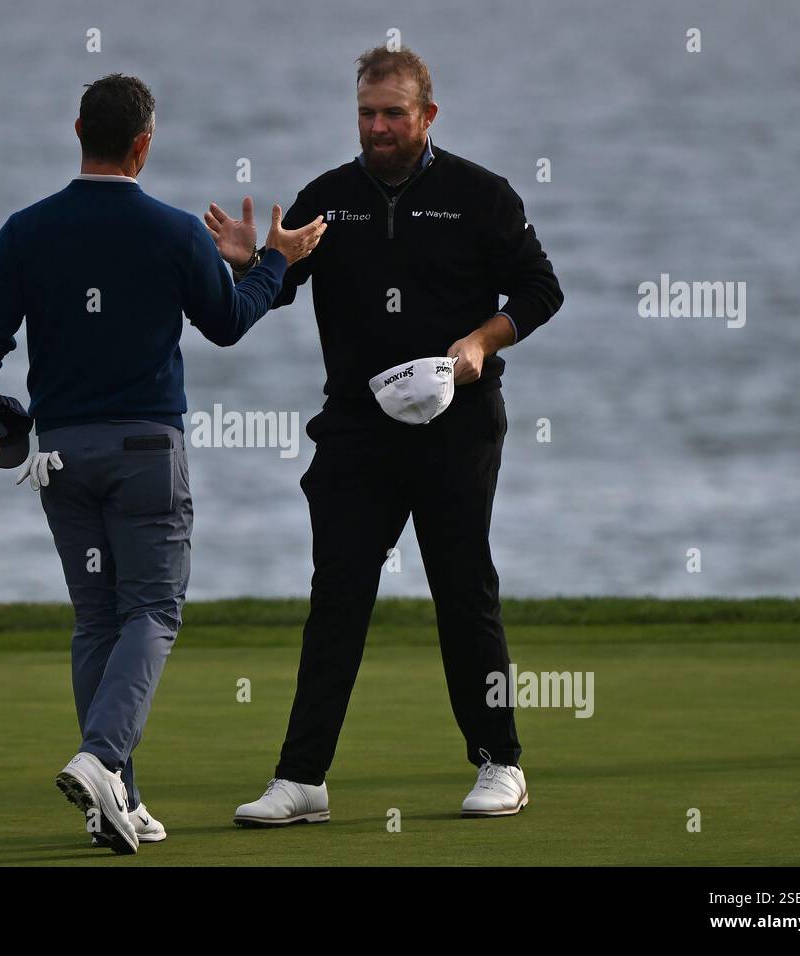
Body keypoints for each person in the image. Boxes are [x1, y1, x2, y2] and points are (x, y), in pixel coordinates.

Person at [0, 73, 325, 853]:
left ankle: (116, 799)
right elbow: (228, 325)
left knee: (98, 618)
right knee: (151, 613)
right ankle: (102, 760)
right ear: (144, 145)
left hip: (60, 456)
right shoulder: (174, 232)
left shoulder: (25, 229)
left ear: (78, 128)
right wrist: (270, 263)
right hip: (147, 454)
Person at [204, 45, 564, 825]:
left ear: (427, 116)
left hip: (457, 425)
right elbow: (279, 286)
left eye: (394, 113)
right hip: (356, 431)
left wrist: (481, 342)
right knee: (337, 597)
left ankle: (500, 762)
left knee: (463, 590)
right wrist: (250, 263)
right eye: (367, 113)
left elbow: (542, 288)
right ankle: (302, 780)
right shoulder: (328, 199)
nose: (378, 127)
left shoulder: (480, 195)